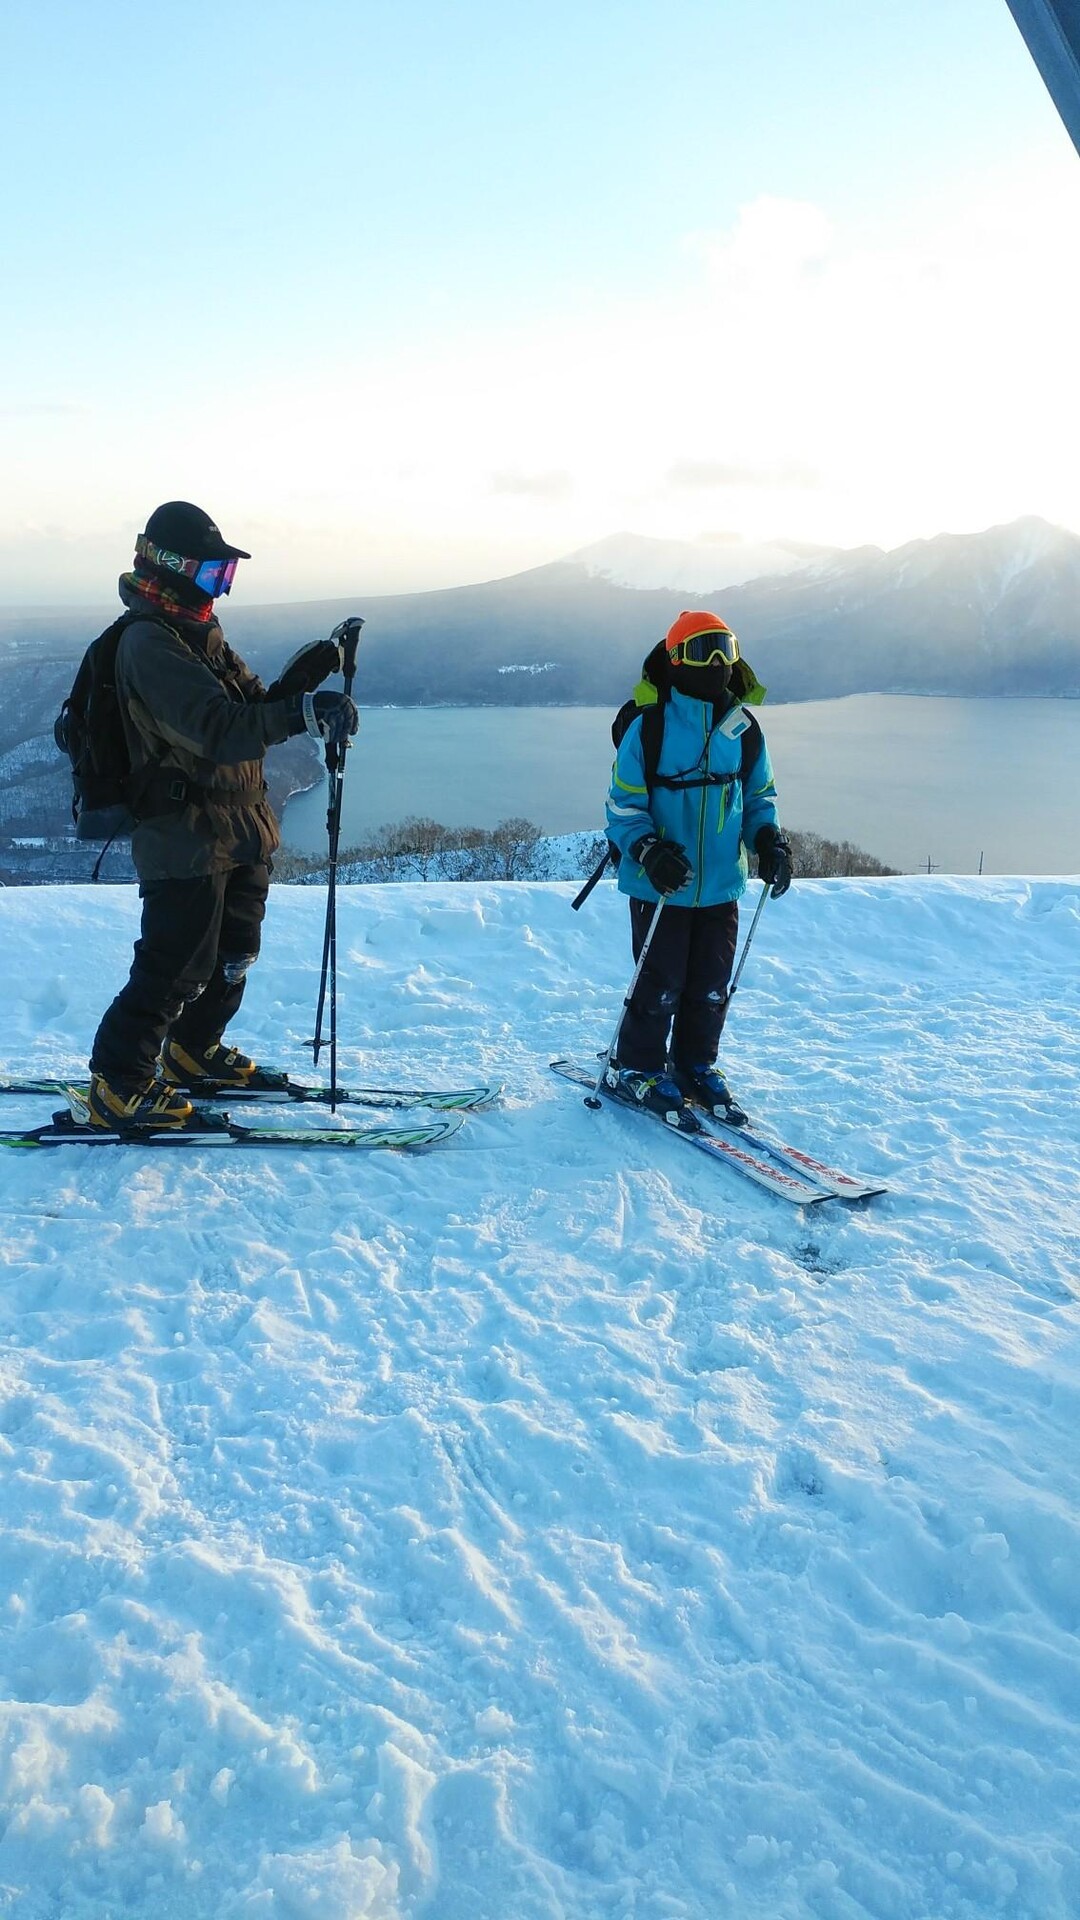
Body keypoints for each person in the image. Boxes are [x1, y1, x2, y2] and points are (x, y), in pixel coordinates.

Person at [85, 500, 359, 1130]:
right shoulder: (149, 643)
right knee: (174, 967)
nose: (220, 588)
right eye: (214, 573)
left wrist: (309, 673)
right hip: (184, 835)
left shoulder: (201, 635)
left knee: (234, 954)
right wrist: (303, 714)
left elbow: (255, 708)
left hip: (237, 828)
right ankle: (117, 1084)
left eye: (226, 575)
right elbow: (217, 728)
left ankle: (192, 1050)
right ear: (172, 567)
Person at [604, 610, 793, 1121]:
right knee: (659, 982)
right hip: (660, 885)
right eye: (700, 651)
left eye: (724, 650)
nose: (714, 664)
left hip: (721, 885)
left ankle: (695, 1063)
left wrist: (769, 841)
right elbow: (622, 807)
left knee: (711, 985)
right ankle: (639, 1066)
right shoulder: (649, 729)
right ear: (674, 660)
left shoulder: (743, 730)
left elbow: (759, 798)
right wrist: (648, 851)